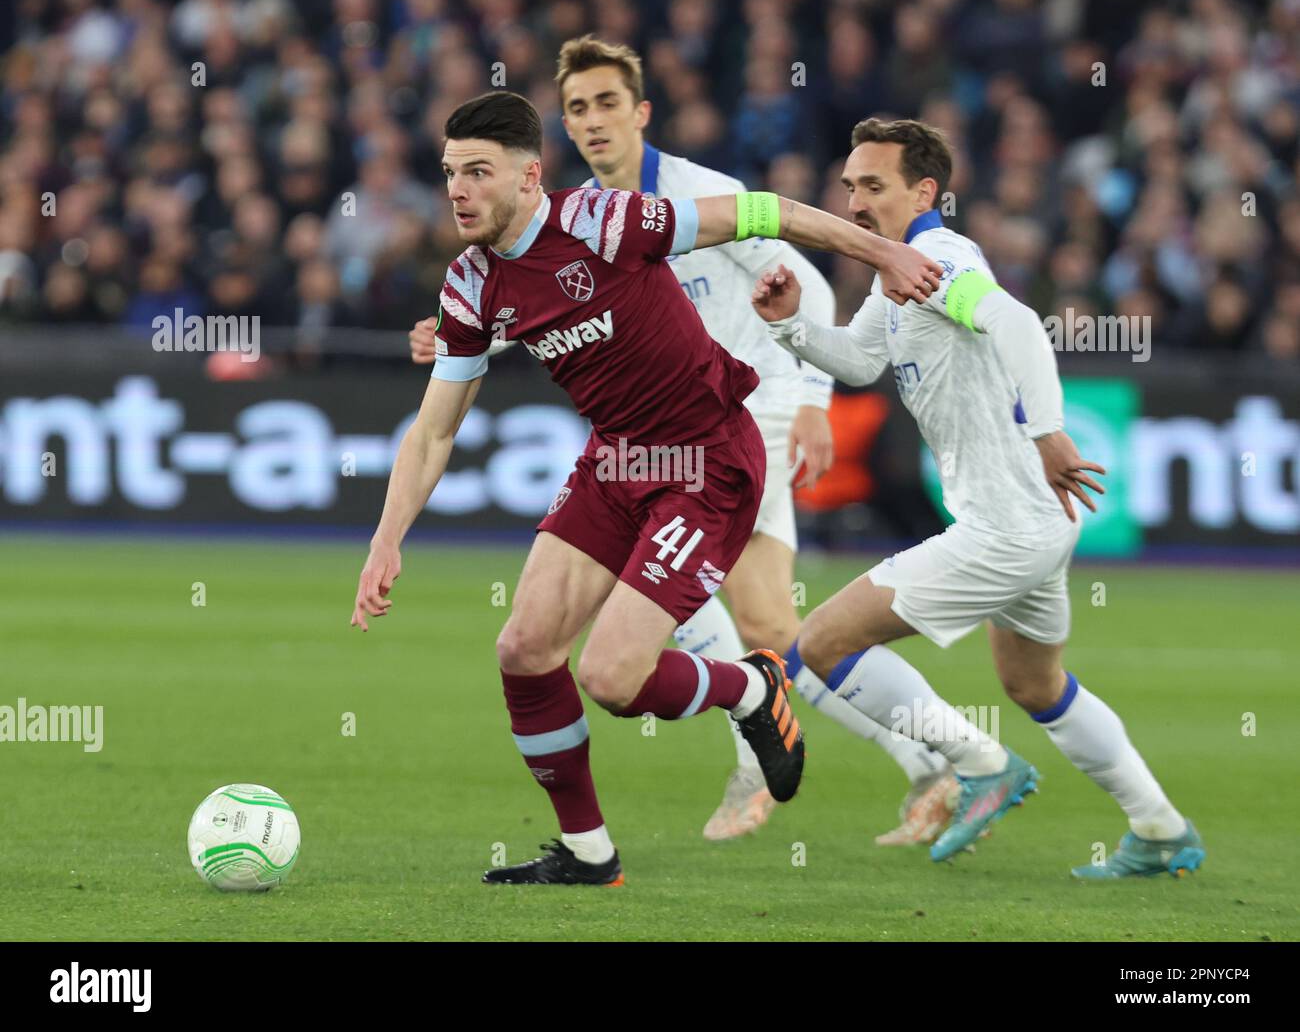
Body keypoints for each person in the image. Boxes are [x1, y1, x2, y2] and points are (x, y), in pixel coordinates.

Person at [352, 91, 943, 886]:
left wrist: (887, 256)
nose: (457, 189)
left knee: (611, 679)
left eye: (478, 172)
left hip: (707, 462)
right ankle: (589, 853)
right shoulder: (472, 284)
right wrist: (385, 540)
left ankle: (750, 687)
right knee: (524, 649)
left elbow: (767, 211)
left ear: (530, 178)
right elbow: (432, 429)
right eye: (451, 172)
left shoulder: (605, 222)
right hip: (617, 462)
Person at [752, 117, 1204, 878]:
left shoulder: (938, 260)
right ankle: (1160, 829)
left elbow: (1017, 321)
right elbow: (861, 360)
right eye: (850, 186)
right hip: (1032, 522)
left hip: (1005, 528)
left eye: (873, 186)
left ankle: (980, 764)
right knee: (1035, 683)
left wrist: (1051, 432)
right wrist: (793, 325)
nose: (855, 202)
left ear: (924, 191)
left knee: (822, 644)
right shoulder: (898, 272)